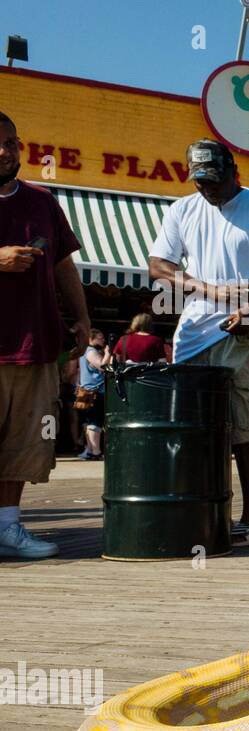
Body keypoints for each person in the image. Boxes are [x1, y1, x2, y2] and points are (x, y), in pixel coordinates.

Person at [149, 139, 249, 548]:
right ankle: (202, 510)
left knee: (241, 421)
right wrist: (200, 287)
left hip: (244, 330)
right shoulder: (182, 210)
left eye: (213, 179)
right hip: (193, 333)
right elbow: (158, 266)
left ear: (233, 171)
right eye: (199, 180)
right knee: (194, 427)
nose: (206, 188)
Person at [0, 109, 91, 559]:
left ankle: (8, 527)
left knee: (22, 445)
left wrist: (82, 317)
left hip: (34, 344)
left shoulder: (42, 201)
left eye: (11, 142)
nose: (4, 150)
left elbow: (63, 265)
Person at [76, 330, 108, 461]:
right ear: (91, 339)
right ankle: (96, 451)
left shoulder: (84, 351)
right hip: (94, 391)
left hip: (86, 390)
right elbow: (102, 365)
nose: (103, 340)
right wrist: (107, 353)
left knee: (88, 421)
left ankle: (89, 450)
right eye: (100, 338)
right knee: (95, 421)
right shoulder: (90, 351)